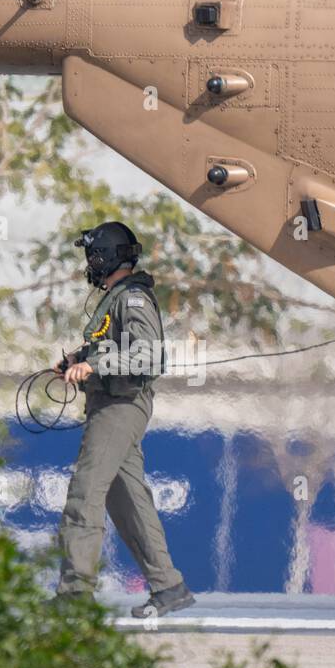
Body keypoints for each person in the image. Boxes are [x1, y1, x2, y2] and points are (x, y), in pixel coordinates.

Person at [53, 221, 195, 618]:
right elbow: (112, 344)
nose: (91, 264)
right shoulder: (116, 298)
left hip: (121, 406)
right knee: (127, 498)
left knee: (85, 494)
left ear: (112, 257)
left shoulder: (132, 298)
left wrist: (94, 365)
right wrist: (78, 361)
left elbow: (148, 355)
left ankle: (74, 595)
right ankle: (169, 586)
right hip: (110, 405)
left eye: (95, 256)